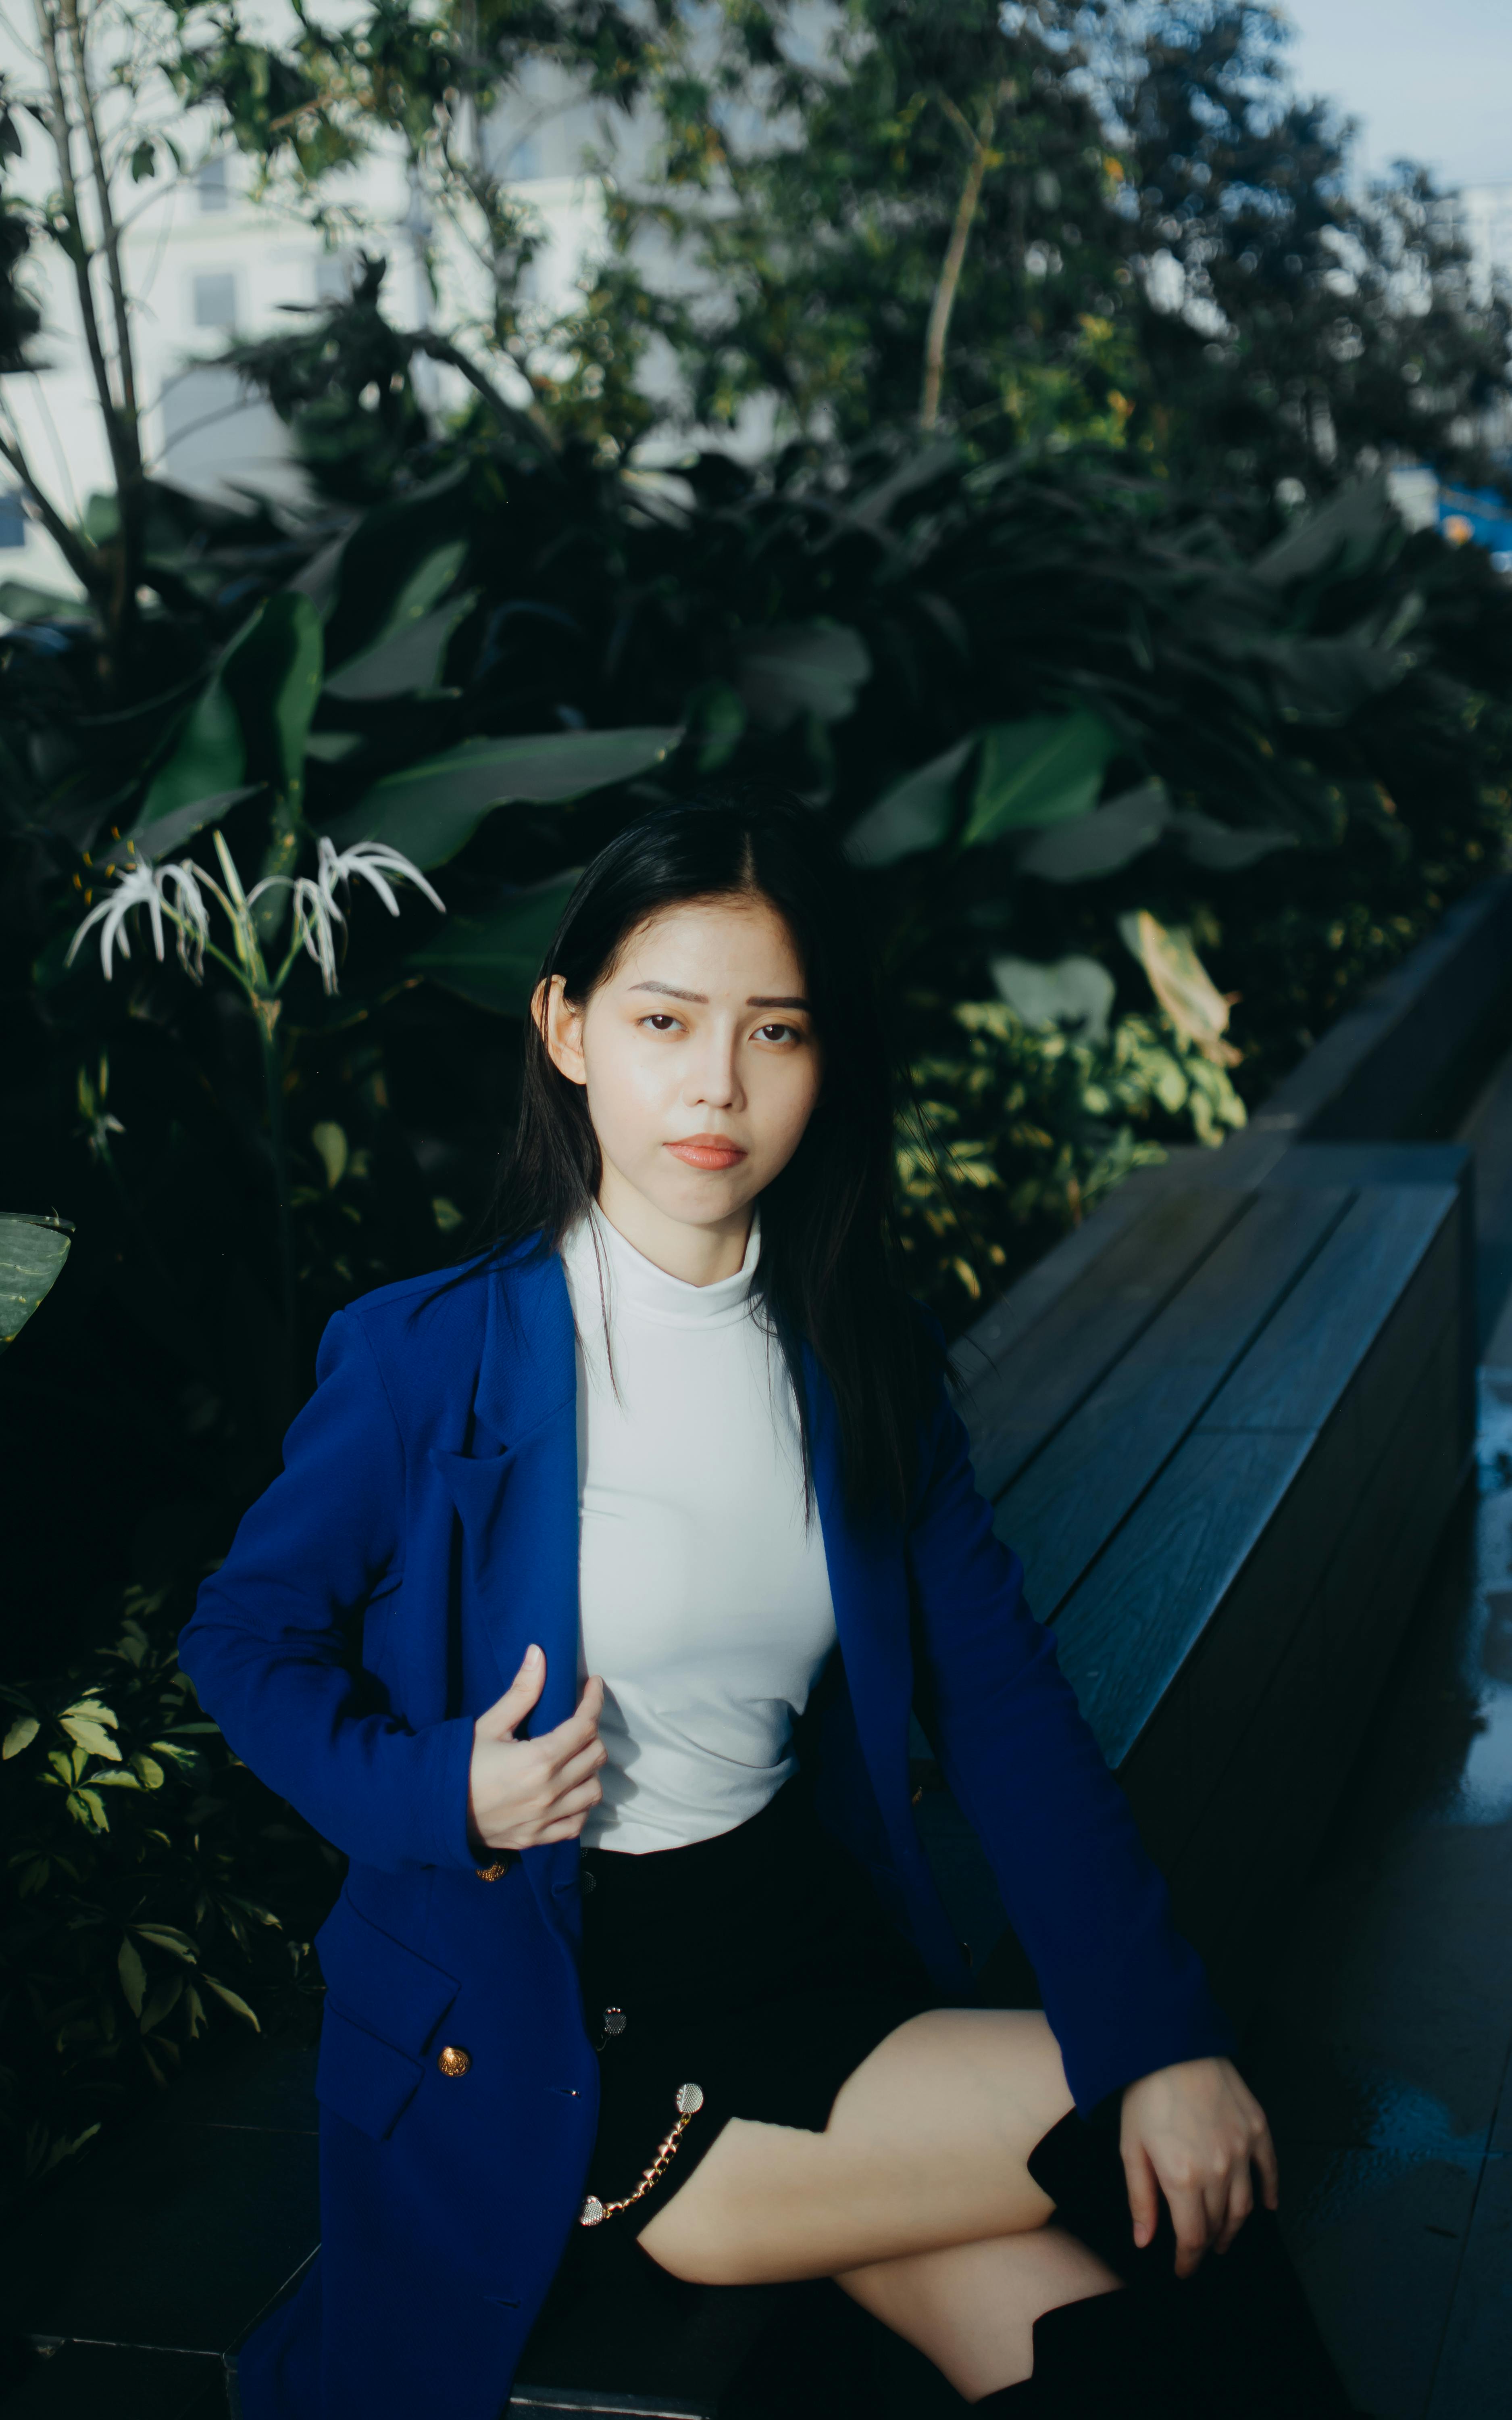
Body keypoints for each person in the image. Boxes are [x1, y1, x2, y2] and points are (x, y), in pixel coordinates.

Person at [179, 789, 1352, 2420]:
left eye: (774, 1032)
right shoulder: (426, 1355)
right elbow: (238, 1641)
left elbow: (1005, 1715)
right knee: (1157, 2121)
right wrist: (437, 1784)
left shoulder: (851, 1362)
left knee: (1104, 2319)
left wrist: (1156, 2033)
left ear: (824, 1058)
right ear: (568, 1029)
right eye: (664, 1021)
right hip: (573, 2028)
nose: (715, 1085)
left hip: (805, 1960)